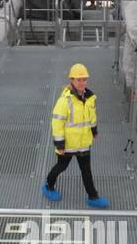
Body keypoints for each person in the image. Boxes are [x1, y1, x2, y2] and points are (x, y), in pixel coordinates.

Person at [43, 62, 109, 208]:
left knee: (86, 170)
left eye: (84, 79)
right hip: (68, 145)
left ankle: (93, 196)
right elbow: (57, 123)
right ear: (71, 80)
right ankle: (48, 186)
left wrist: (94, 130)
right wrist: (59, 144)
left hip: (84, 143)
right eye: (78, 80)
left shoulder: (90, 98)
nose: (82, 83)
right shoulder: (64, 101)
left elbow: (92, 117)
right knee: (61, 167)